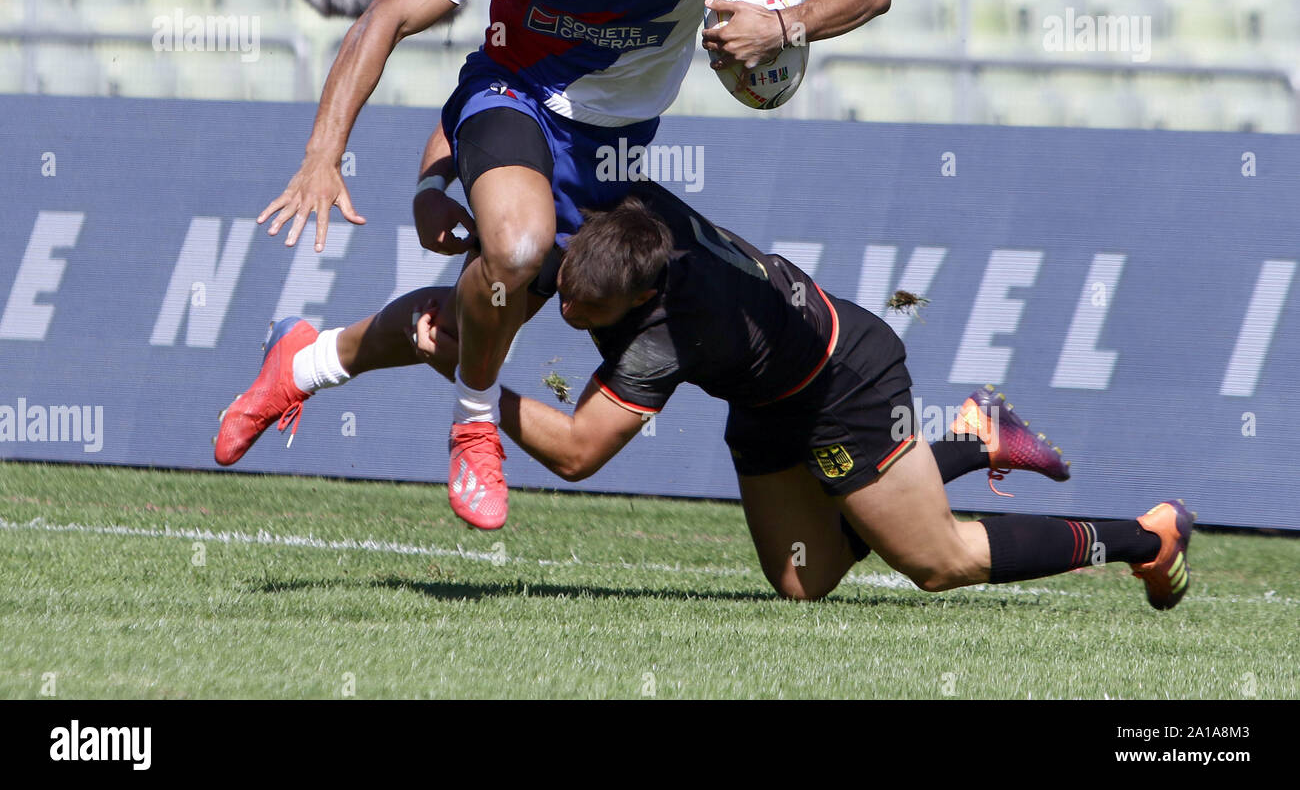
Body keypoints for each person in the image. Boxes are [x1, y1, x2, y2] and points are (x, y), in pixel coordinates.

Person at [249, 0, 892, 530]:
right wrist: (323, 154)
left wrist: (785, 25)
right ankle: (475, 427)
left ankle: (303, 359)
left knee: (463, 320)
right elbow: (384, 17)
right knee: (515, 251)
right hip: (515, 100)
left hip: (611, 153)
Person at [216, 181, 1192, 610]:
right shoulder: (627, 210)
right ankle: (970, 436)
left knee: (934, 562)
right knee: (805, 585)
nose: (568, 314)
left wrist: (468, 380)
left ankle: (1147, 538)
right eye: (569, 292)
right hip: (765, 395)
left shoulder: (677, 334)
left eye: (590, 311)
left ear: (642, 299)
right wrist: (445, 183)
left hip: (846, 382)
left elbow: (574, 454)